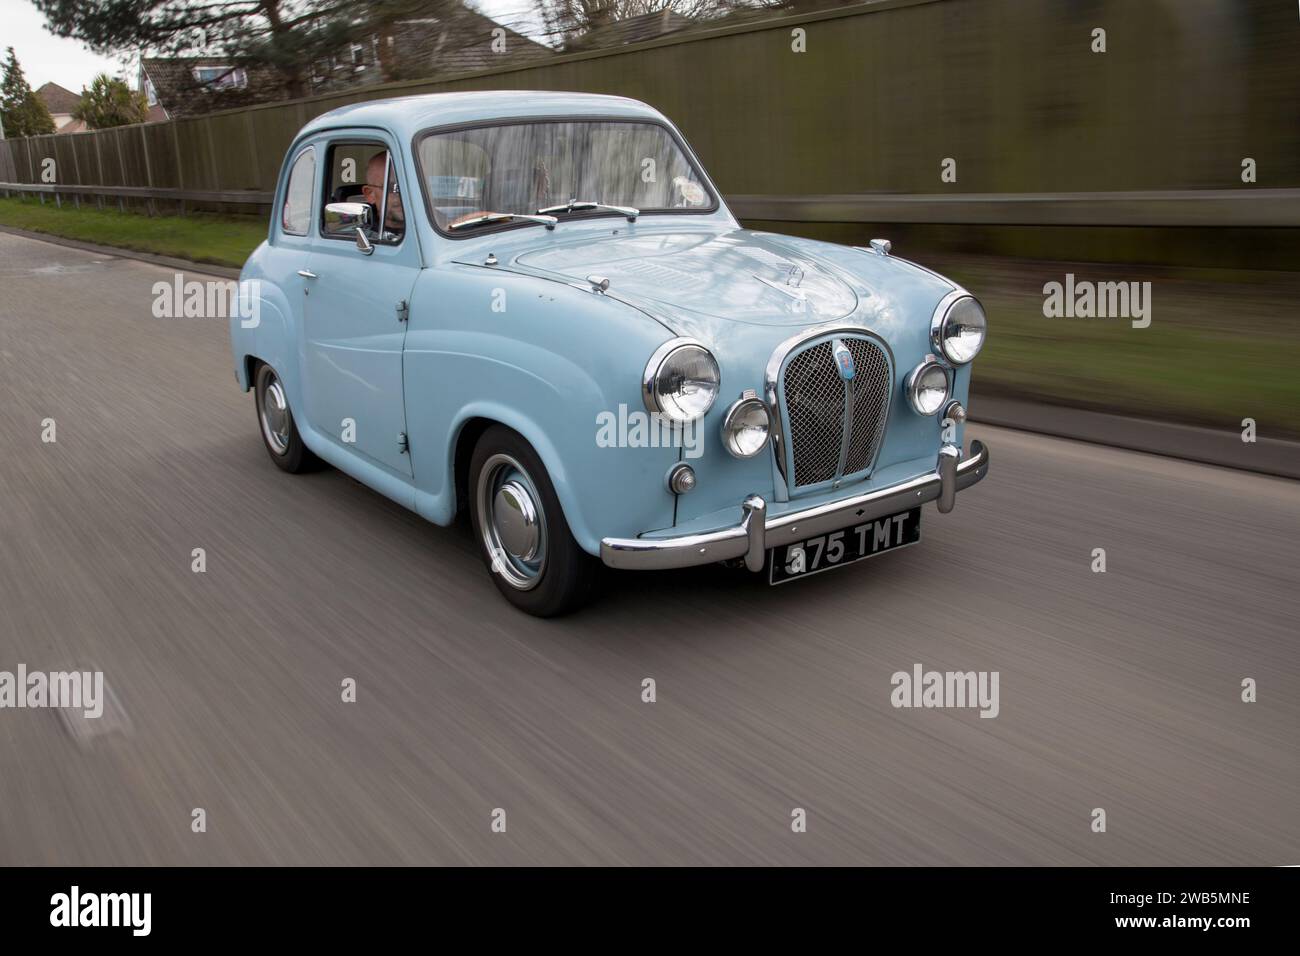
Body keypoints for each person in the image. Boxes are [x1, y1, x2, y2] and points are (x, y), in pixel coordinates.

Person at [360, 151, 404, 240]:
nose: (403, 195)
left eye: (409, 187)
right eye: (393, 188)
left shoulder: (437, 228)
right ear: (370, 194)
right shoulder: (361, 239)